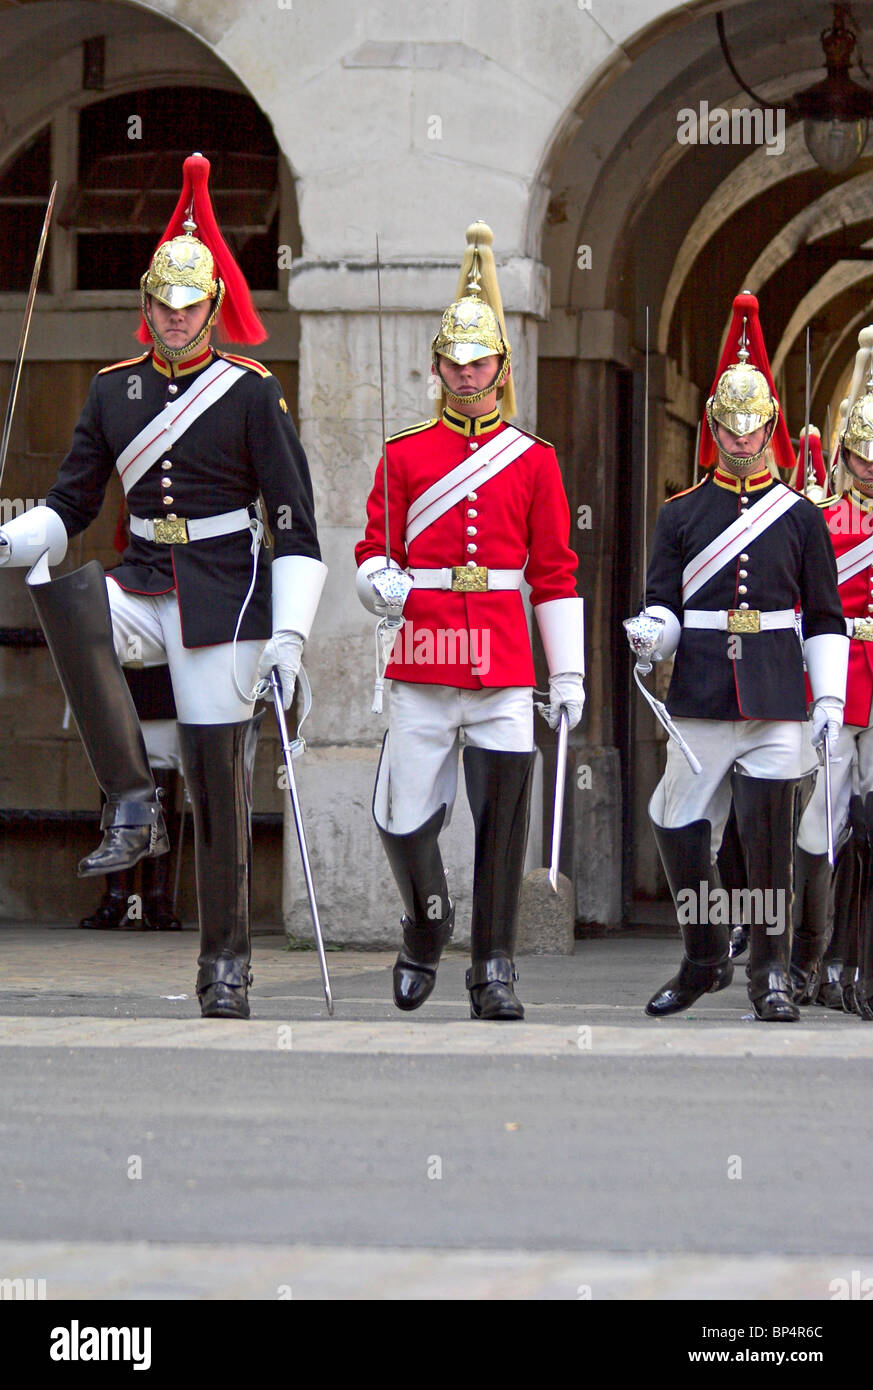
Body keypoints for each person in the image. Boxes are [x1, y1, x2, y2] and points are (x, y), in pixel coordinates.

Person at [0, 153, 326, 1019]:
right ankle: (134, 795)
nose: (175, 321)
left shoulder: (253, 395)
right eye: (163, 307)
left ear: (211, 310)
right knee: (71, 605)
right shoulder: (114, 390)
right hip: (142, 576)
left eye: (190, 308)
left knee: (219, 791)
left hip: (223, 595)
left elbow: (293, 523)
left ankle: (225, 966)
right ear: (145, 308)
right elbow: (71, 501)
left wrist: (287, 637)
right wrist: (20, 535)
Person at [355, 222, 585, 1021]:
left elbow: (554, 571)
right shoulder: (402, 454)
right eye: (452, 362)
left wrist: (567, 672)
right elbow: (373, 545)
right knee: (400, 813)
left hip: (502, 661)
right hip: (423, 648)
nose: (465, 374)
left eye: (478, 362)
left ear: (501, 368)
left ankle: (493, 966)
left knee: (502, 822)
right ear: (435, 367)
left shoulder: (534, 458)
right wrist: (375, 580)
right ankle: (427, 926)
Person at [631, 291, 848, 1023]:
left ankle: (769, 973)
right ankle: (701, 954)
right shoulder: (679, 513)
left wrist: (826, 700)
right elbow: (662, 600)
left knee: (767, 841)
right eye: (731, 427)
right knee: (675, 819)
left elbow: (823, 616)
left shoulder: (801, 517)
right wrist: (652, 633)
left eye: (755, 429)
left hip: (777, 691)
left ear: (771, 430)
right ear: (713, 427)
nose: (743, 440)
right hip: (700, 686)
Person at [793, 330, 873, 1017]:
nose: (868, 467)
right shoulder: (819, 517)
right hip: (840, 677)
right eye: (859, 454)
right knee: (823, 824)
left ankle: (861, 965)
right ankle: (812, 960)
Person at [79, 664, 183, 933]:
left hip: (164, 673)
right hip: (116, 669)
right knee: (115, 773)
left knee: (161, 776)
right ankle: (117, 897)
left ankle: (155, 898)